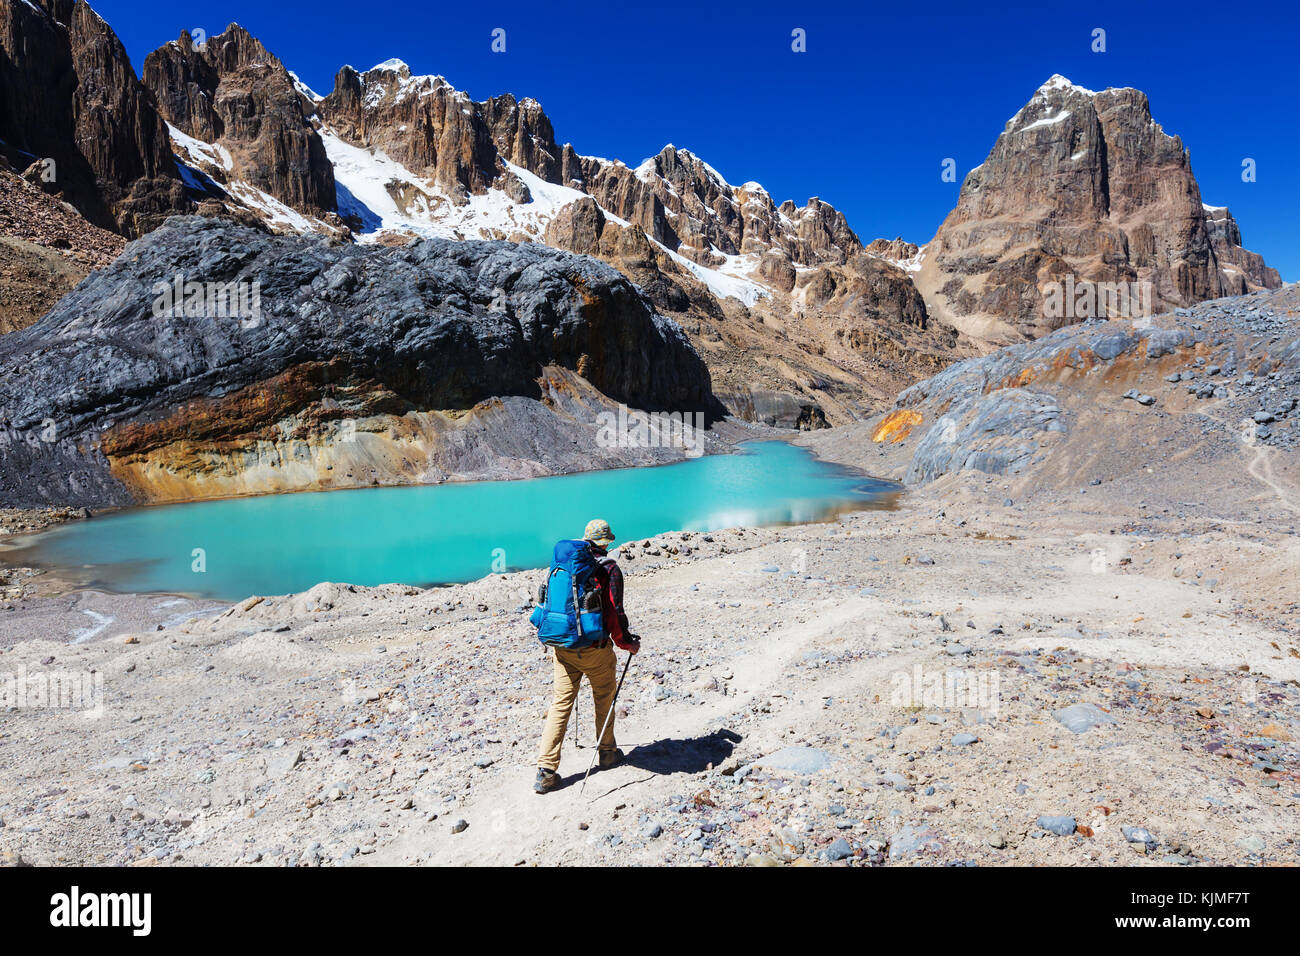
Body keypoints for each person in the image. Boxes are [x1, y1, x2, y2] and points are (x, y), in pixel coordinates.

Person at [534, 519, 640, 794]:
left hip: (562, 647)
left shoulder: (566, 564)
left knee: (560, 704)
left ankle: (546, 771)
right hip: (595, 650)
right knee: (604, 697)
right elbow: (615, 614)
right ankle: (607, 753)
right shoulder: (608, 569)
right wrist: (626, 643)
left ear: (586, 539)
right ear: (607, 542)